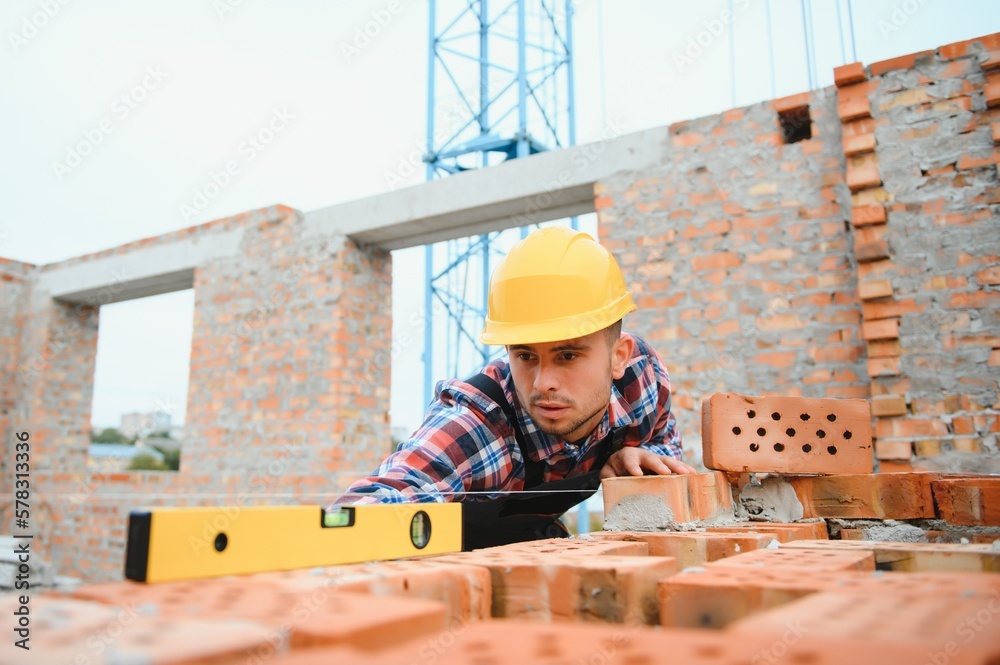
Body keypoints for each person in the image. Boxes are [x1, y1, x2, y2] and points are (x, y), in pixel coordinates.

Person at [338, 226, 694, 549]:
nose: (543, 384)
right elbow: (365, 508)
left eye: (567, 355)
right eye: (525, 356)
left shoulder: (642, 381)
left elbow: (664, 443)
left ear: (619, 357)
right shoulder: (479, 422)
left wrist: (637, 456)